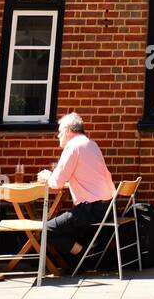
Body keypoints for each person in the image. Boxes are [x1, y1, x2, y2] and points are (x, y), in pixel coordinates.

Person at [38, 113, 115, 267]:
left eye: (60, 131)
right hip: (106, 207)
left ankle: (84, 255)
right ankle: (78, 259)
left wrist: (47, 176)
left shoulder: (73, 146)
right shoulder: (91, 144)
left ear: (68, 131)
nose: (58, 135)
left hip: (90, 209)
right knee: (64, 225)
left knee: (46, 230)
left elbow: (56, 183)